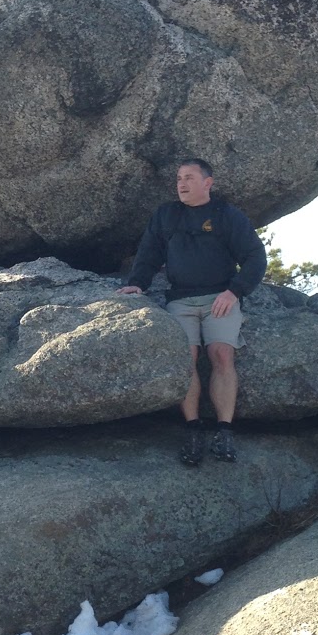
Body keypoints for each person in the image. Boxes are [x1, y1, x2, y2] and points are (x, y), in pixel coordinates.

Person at [118, 159, 267, 466]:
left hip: (220, 298)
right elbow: (149, 253)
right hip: (180, 300)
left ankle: (224, 431)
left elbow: (254, 256)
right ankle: (193, 429)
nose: (181, 184)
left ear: (207, 183)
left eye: (189, 178)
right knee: (186, 359)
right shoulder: (166, 215)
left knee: (222, 354)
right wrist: (137, 284)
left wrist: (234, 291)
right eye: (178, 179)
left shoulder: (226, 216)